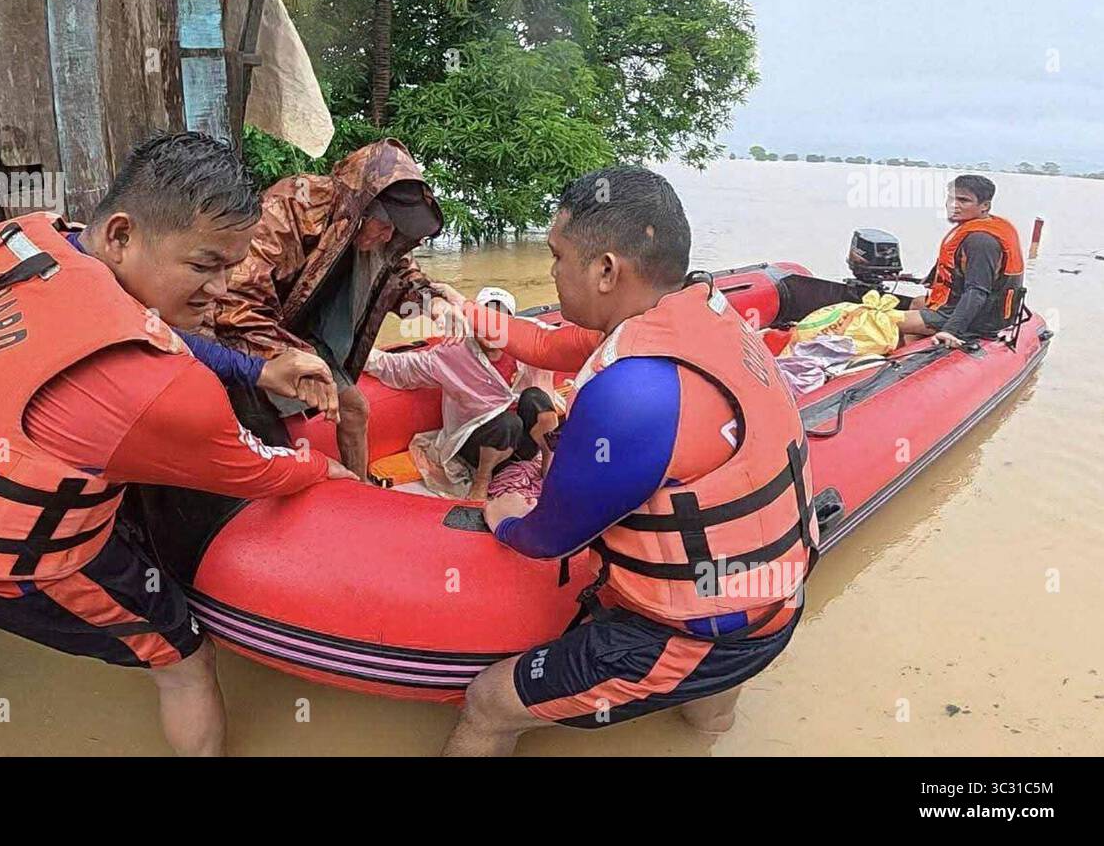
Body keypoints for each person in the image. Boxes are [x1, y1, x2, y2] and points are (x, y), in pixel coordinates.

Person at [0, 132, 356, 757]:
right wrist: (326, 468)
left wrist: (254, 368)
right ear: (119, 234)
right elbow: (261, 472)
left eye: (231, 267)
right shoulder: (161, 393)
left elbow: (116, 324)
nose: (222, 289)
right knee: (185, 656)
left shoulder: (15, 242)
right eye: (204, 265)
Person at [432, 166, 817, 756]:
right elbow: (539, 342)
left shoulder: (634, 394)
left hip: (687, 631)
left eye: (558, 256)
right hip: (777, 601)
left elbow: (547, 539)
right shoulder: (700, 314)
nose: (551, 271)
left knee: (488, 704)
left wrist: (504, 512)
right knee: (707, 718)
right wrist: (466, 309)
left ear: (606, 269)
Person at [210, 139, 456, 478]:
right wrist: (287, 359)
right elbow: (234, 302)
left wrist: (433, 303)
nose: (387, 237)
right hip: (249, 337)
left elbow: (399, 273)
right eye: (383, 226)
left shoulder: (378, 236)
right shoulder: (292, 206)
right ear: (361, 208)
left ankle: (360, 491)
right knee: (267, 447)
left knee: (354, 408)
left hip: (308, 333)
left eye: (395, 231)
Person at [364, 287, 561, 500]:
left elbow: (551, 336)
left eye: (499, 320)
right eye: (485, 319)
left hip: (522, 444)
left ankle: (549, 462)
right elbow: (396, 367)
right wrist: (352, 353)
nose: (491, 328)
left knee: (536, 398)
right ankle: (482, 481)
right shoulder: (453, 352)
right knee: (507, 422)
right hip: (477, 444)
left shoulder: (523, 349)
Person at [899, 175, 1025, 348]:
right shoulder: (977, 227)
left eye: (963, 200)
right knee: (917, 303)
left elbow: (977, 291)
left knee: (882, 322)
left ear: (985, 206)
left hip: (978, 318)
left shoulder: (981, 241)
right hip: (968, 306)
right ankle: (910, 351)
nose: (953, 205)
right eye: (951, 198)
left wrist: (950, 330)